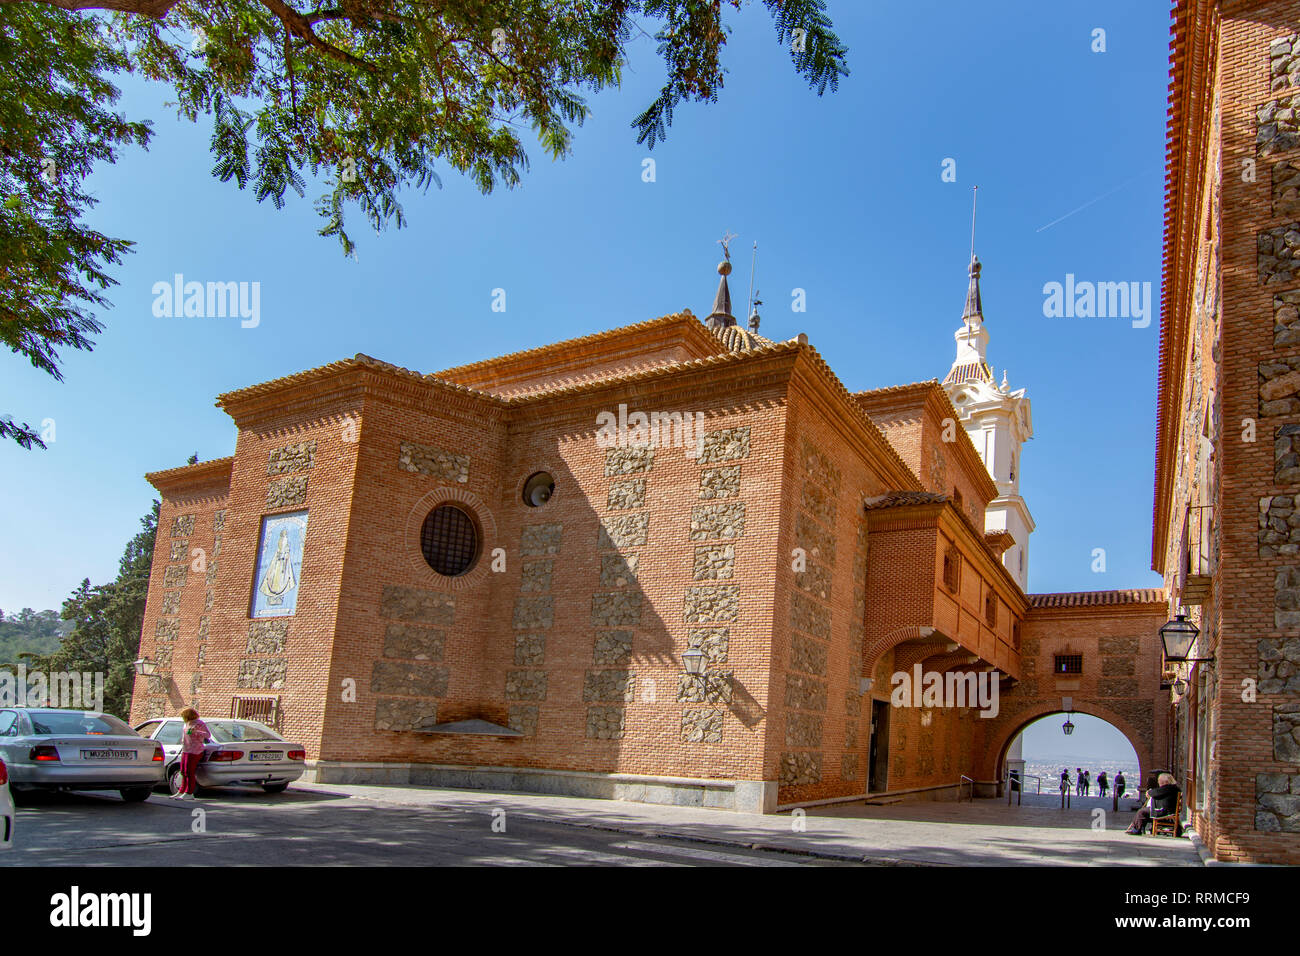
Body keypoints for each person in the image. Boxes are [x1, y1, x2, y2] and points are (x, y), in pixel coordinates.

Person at [174, 707, 210, 800]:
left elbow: (207, 735)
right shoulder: (187, 723)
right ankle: (181, 791)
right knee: (183, 771)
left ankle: (189, 792)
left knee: (189, 772)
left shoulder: (199, 723)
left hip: (195, 750)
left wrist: (197, 732)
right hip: (186, 749)